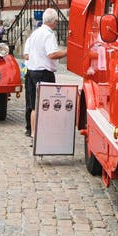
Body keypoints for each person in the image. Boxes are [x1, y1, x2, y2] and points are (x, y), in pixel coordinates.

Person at [23, 8, 67, 141]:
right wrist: (67, 51)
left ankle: (32, 132)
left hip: (31, 71)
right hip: (43, 73)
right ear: (54, 22)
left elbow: (26, 54)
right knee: (45, 104)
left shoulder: (35, 33)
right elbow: (52, 54)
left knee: (33, 105)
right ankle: (42, 133)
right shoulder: (48, 34)